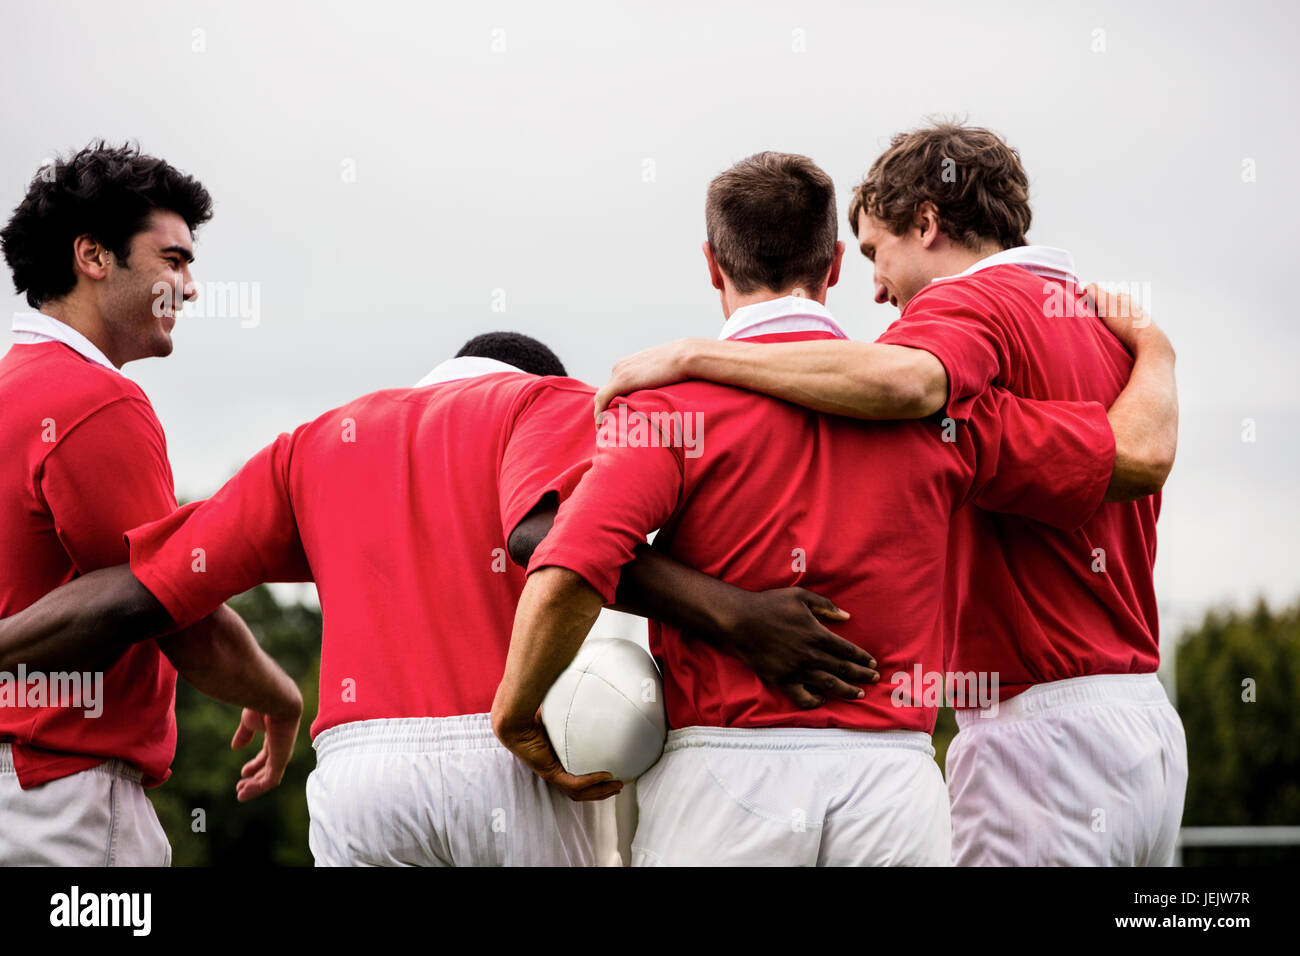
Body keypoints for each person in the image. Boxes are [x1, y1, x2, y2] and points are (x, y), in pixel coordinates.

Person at [493, 150, 1178, 866]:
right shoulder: (951, 418)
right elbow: (1121, 458)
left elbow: (572, 560)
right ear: (834, 268)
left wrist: (516, 710)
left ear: (711, 264)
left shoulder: (669, 403)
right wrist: (1156, 352)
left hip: (726, 779)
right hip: (897, 788)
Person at [0, 328, 879, 866]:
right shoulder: (543, 399)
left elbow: (147, 595)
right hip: (513, 756)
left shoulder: (308, 445)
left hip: (357, 774)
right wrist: (739, 614)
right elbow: (557, 542)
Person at [0, 143, 301, 866]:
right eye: (173, 259)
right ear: (93, 257)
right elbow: (168, 608)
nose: (190, 287)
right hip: (61, 792)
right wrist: (282, 694)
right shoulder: (94, 398)